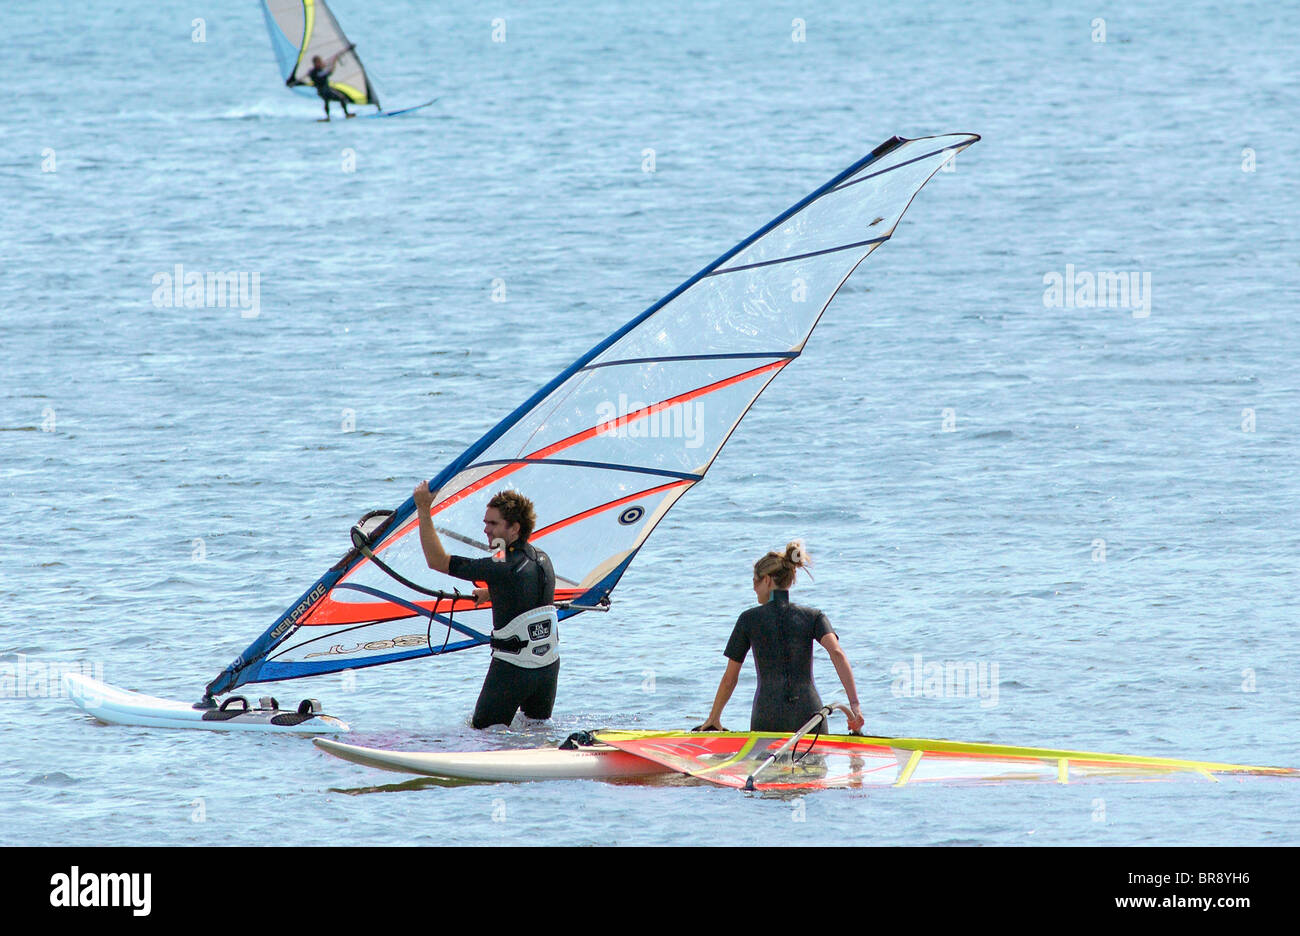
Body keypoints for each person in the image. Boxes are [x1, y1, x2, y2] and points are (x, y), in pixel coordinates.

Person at [412, 484, 558, 729]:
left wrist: (423, 509)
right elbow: (523, 584)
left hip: (513, 670)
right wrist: (492, 592)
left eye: (493, 524)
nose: (485, 529)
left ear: (514, 528)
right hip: (547, 668)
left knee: (482, 733)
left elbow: (436, 561)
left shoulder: (500, 567)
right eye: (486, 522)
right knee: (537, 731)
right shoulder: (541, 558)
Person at [697, 541, 865, 734]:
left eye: (755, 581)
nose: (753, 588)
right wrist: (855, 706)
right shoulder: (814, 616)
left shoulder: (748, 619)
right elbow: (837, 653)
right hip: (810, 716)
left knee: (768, 764)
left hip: (767, 716)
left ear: (767, 580)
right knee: (814, 764)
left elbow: (730, 678)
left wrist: (714, 718)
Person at [291, 47, 357, 120]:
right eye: (319, 62)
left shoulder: (314, 71)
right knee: (341, 97)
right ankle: (345, 114)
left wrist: (334, 59)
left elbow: (323, 68)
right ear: (315, 63)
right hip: (324, 90)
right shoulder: (316, 72)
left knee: (327, 102)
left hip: (321, 91)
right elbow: (328, 71)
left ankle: (328, 117)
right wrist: (333, 62)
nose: (320, 62)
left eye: (320, 61)